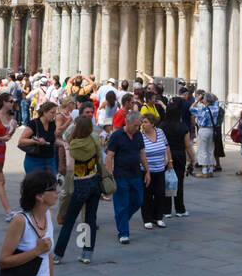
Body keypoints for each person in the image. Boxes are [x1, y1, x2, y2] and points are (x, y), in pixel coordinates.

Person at [53, 116, 104, 264]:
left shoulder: (74, 144)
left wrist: (67, 148)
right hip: (94, 182)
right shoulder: (94, 140)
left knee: (69, 220)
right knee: (90, 219)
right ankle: (87, 254)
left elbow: (69, 166)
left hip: (80, 184)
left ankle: (58, 254)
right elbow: (99, 159)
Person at [106, 110, 150, 244]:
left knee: (138, 200)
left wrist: (147, 171)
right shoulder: (117, 136)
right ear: (128, 122)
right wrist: (110, 174)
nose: (137, 129)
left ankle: (122, 218)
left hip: (136, 173)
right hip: (121, 175)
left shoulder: (138, 135)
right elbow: (109, 156)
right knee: (121, 203)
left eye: (139, 126)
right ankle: (123, 232)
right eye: (135, 126)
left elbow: (142, 153)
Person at [161, 97, 195, 217]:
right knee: (179, 182)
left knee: (166, 182)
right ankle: (180, 209)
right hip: (180, 155)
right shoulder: (183, 127)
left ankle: (166, 210)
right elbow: (188, 145)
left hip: (165, 156)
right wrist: (193, 159)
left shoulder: (161, 126)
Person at [140, 112, 172, 228]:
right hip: (146, 171)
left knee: (160, 194)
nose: (143, 125)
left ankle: (158, 217)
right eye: (142, 122)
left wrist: (170, 161)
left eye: (145, 122)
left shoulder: (160, 132)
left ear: (152, 124)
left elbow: (167, 146)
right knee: (147, 195)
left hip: (160, 169)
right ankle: (147, 218)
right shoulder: (140, 136)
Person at [17, 99, 60, 175]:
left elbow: (53, 140)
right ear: (44, 112)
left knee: (51, 184)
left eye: (55, 113)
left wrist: (64, 144)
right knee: (36, 185)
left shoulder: (52, 124)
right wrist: (35, 141)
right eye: (52, 113)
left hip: (50, 160)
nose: (54, 115)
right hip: (34, 160)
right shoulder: (34, 123)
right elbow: (21, 140)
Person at [192, 91, 217, 177]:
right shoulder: (215, 108)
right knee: (210, 150)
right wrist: (210, 94)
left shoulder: (202, 110)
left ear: (206, 100)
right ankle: (210, 169)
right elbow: (216, 99)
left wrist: (197, 100)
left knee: (203, 150)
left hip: (203, 130)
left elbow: (191, 109)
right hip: (212, 130)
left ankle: (204, 170)